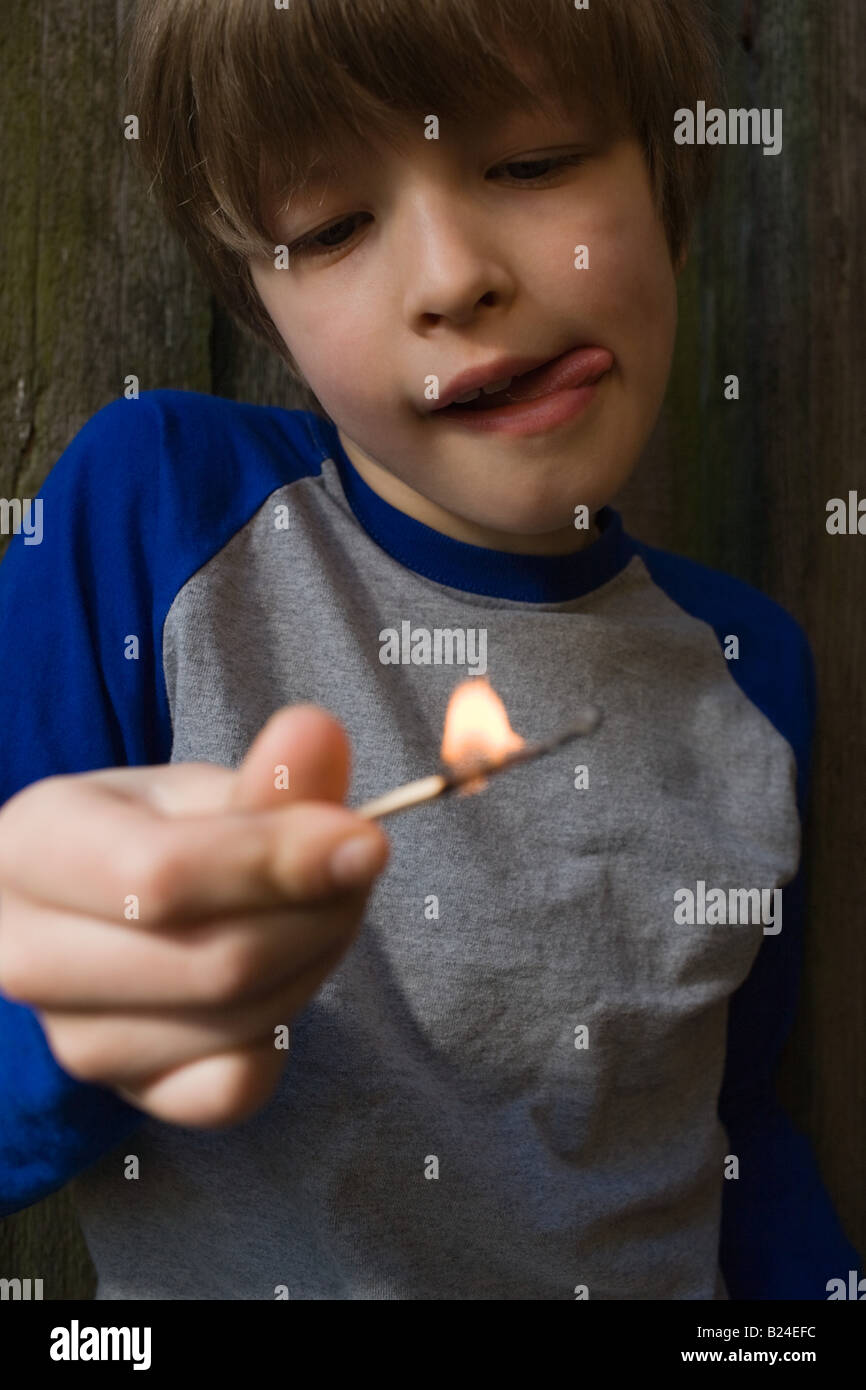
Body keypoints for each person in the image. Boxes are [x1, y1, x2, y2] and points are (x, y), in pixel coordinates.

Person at [0, 0, 859, 1299]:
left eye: (533, 162)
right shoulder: (155, 516)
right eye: (331, 228)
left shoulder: (754, 670)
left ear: (665, 168)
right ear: (261, 300)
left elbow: (728, 1130)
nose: (453, 276)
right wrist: (78, 1016)